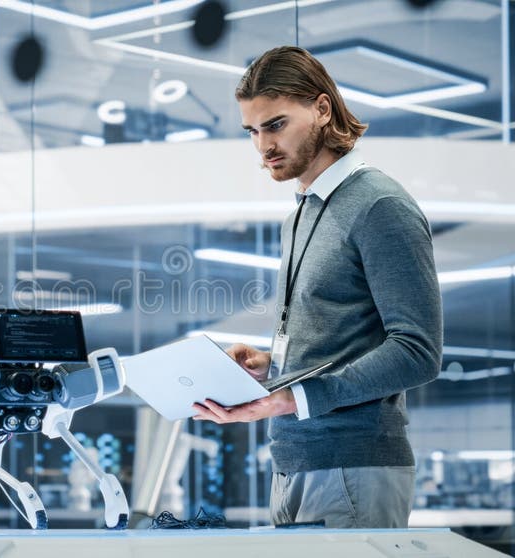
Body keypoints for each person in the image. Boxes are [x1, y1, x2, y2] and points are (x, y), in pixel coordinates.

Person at [192, 46, 443, 529]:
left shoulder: (380, 206)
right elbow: (338, 340)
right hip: (293, 460)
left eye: (276, 124)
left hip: (353, 466)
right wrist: (273, 366)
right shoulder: (301, 215)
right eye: (252, 131)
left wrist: (296, 397)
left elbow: (418, 351)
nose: (263, 145)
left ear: (323, 109)